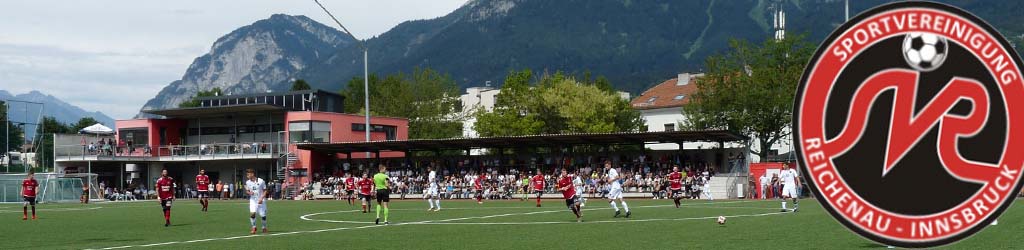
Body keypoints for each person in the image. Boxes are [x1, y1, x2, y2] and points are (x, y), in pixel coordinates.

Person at [245, 168, 269, 234]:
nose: (247, 176)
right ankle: (254, 227)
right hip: (253, 200)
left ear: (252, 174)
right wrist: (250, 193)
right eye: (247, 175)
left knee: (263, 215)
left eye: (248, 175)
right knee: (252, 214)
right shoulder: (247, 182)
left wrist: (261, 198)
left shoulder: (261, 181)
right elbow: (247, 190)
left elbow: (265, 190)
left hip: (261, 200)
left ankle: (264, 227)